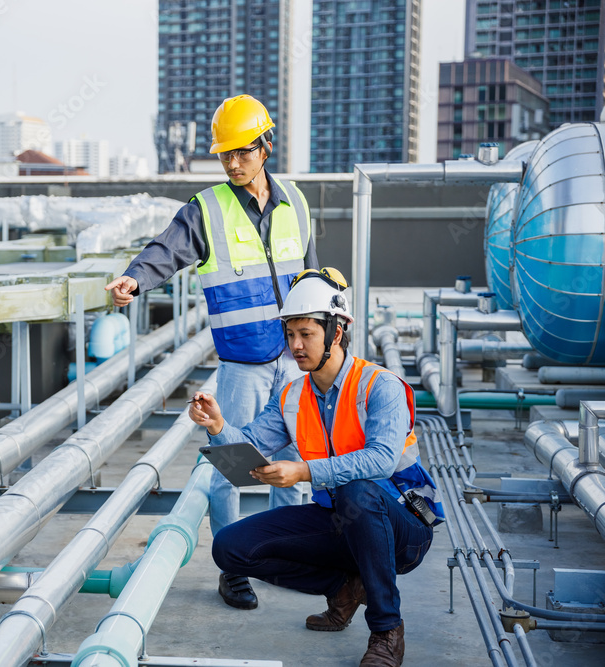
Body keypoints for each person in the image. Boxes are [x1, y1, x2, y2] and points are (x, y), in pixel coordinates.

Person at [104, 94, 317, 610]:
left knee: (292, 460)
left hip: (293, 361)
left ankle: (284, 554)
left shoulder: (296, 203)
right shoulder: (207, 210)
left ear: (266, 146)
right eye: (225, 154)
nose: (232, 162)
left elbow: (310, 279)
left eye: (242, 151)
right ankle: (234, 567)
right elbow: (167, 249)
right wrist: (135, 277)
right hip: (243, 364)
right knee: (232, 464)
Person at [188, 269, 444, 667]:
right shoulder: (292, 394)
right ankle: (343, 587)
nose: (296, 345)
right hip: (341, 520)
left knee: (358, 490)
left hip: (403, 528)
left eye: (306, 334)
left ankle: (387, 630)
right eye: (290, 335)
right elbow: (252, 446)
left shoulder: (380, 386)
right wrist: (218, 426)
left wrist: (304, 472)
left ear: (336, 332)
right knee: (230, 548)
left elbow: (381, 460)